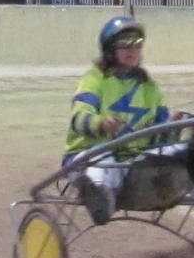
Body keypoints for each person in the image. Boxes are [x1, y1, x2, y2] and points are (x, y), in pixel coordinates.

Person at [66, 14, 171, 220]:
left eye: (137, 44)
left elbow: (160, 137)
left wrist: (172, 126)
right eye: (125, 44)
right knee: (103, 158)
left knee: (179, 152)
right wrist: (101, 124)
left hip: (130, 163)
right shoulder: (94, 79)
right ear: (110, 49)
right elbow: (78, 119)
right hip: (87, 158)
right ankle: (98, 198)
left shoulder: (149, 87)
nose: (132, 50)